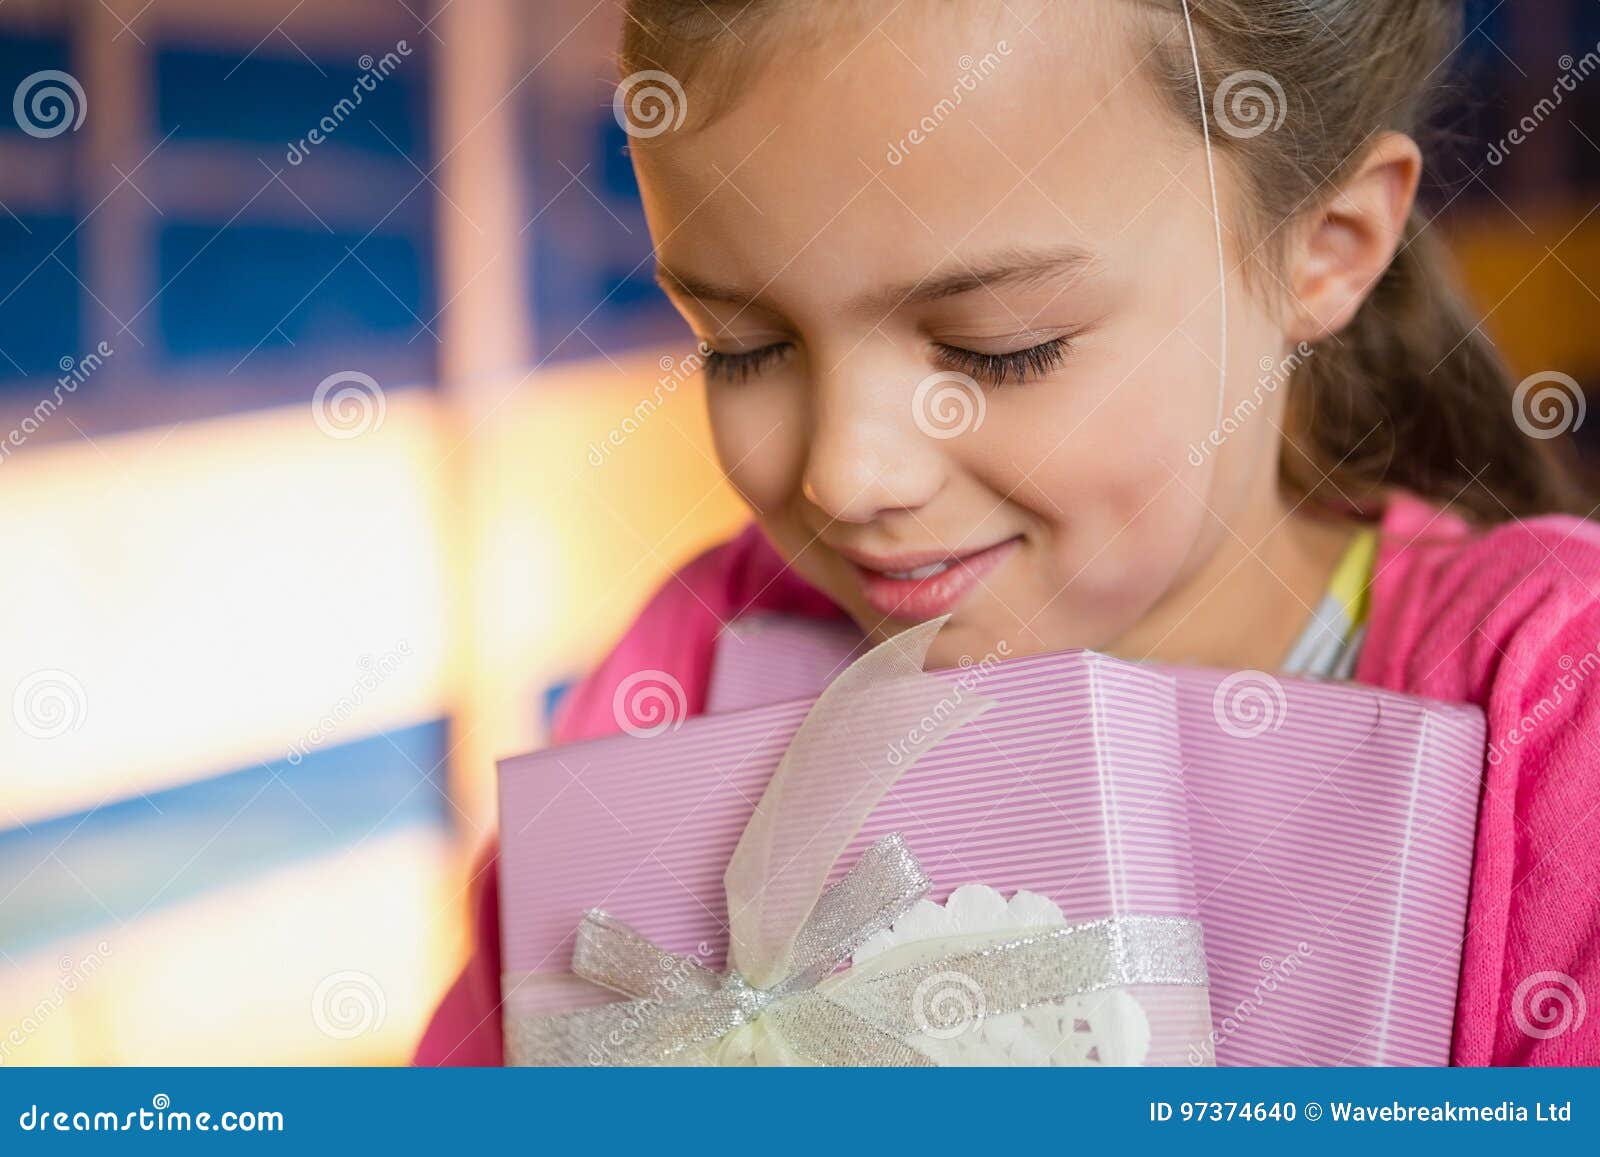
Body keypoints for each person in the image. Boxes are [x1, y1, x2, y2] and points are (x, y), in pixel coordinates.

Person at [416, 0, 1599, 1066]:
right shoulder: (692, 663)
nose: (848, 475)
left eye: (1000, 346)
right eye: (743, 346)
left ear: (1324, 248)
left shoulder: (1551, 706)